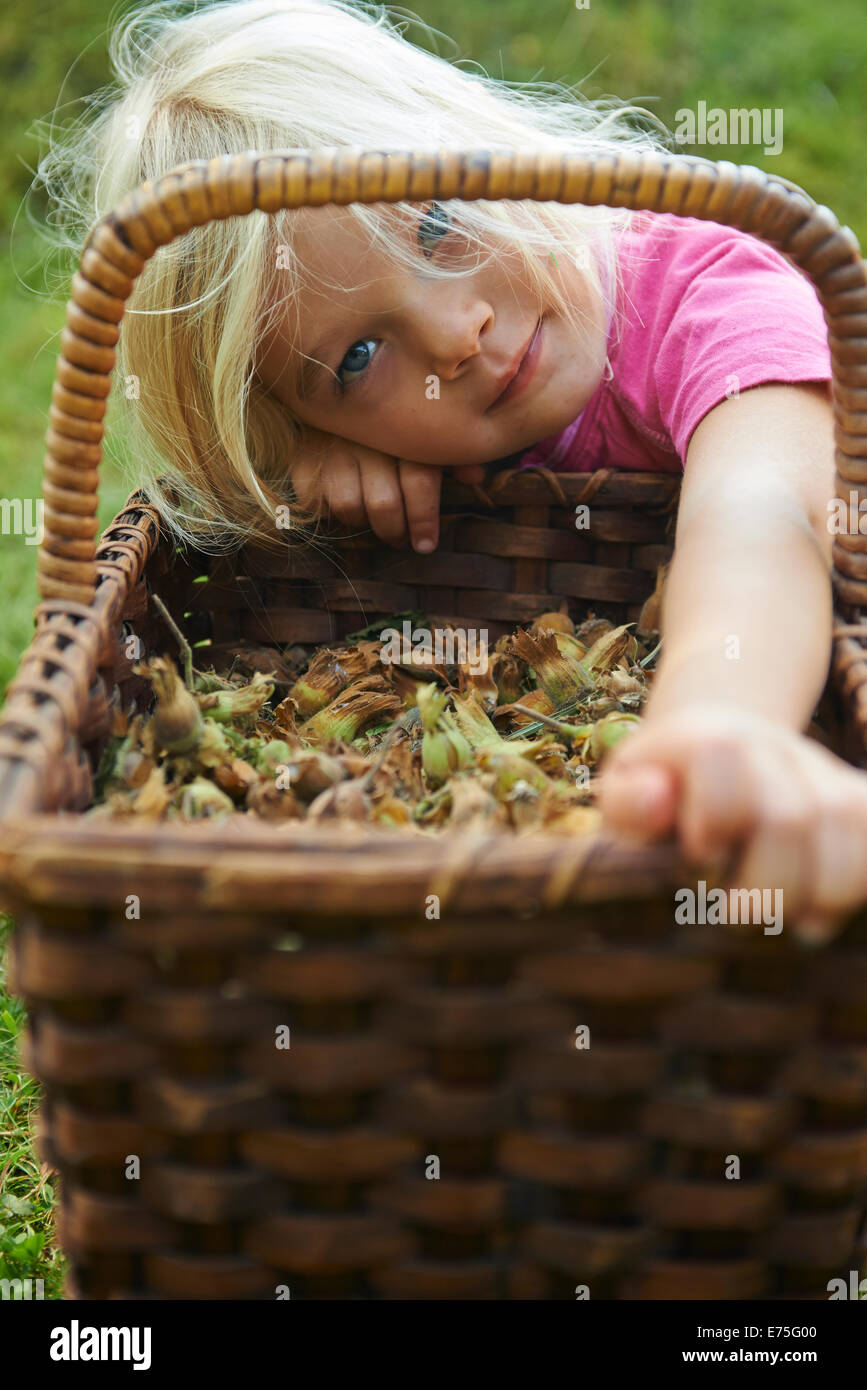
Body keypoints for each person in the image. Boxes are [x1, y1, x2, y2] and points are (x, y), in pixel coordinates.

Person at [35, 0, 867, 934]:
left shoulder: (714, 295)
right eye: (356, 356)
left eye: (436, 225)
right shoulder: (368, 434)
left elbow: (757, 511)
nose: (453, 334)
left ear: (488, 143)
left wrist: (722, 721)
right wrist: (306, 459)